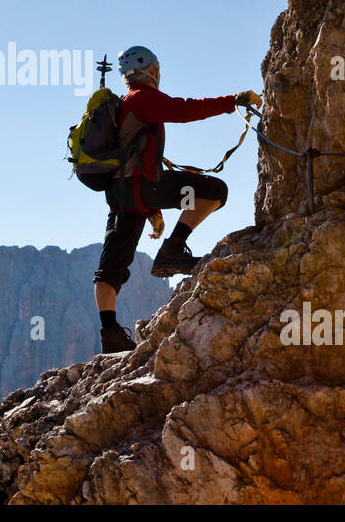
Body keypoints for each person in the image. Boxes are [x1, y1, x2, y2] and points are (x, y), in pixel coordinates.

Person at [94, 46, 260, 354]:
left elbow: (134, 160)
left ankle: (110, 334)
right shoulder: (142, 99)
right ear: (152, 71)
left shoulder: (124, 106)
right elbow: (185, 109)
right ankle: (173, 249)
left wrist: (151, 209)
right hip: (140, 190)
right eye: (157, 69)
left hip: (122, 196)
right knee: (213, 190)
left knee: (109, 269)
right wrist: (232, 102)